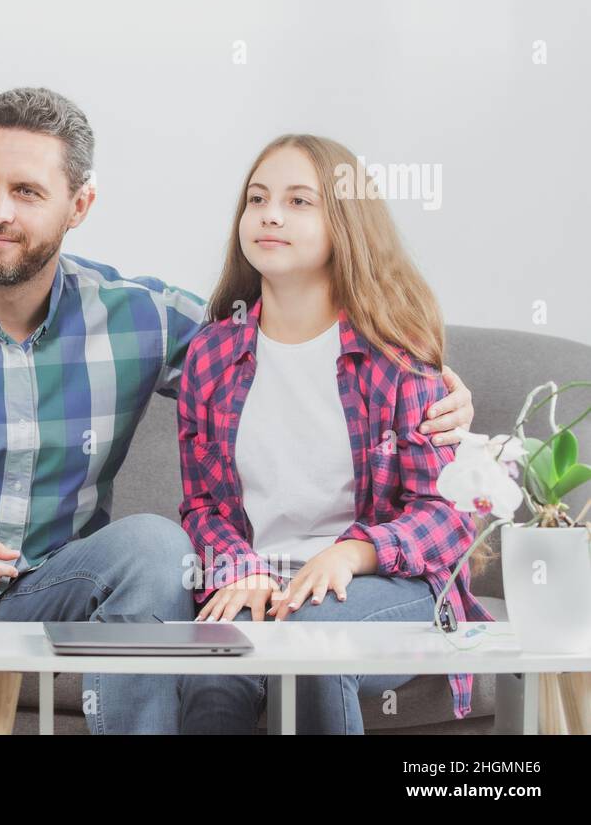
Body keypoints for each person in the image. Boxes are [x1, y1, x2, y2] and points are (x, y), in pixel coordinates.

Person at [0, 88, 474, 733]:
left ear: (80, 205)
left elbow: (281, 351)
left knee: (156, 546)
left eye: (27, 191)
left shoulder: (142, 319)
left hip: (53, 581)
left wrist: (440, 382)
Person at [175, 134, 493, 734]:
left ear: (345, 224)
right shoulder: (210, 356)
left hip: (383, 583)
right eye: (258, 198)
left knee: (308, 641)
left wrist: (350, 552)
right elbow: (201, 505)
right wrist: (240, 567)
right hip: (260, 583)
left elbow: (448, 516)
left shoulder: (397, 357)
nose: (270, 214)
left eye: (300, 201)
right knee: (212, 669)